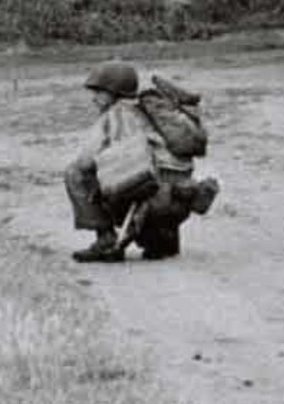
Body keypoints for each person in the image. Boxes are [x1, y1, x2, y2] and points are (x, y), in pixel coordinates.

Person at [65, 61, 221, 263]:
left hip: (146, 196)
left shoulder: (115, 114)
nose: (94, 98)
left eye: (99, 92)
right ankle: (163, 238)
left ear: (113, 91)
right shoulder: (155, 111)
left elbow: (86, 162)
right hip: (180, 198)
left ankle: (105, 239)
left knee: (75, 173)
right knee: (160, 249)